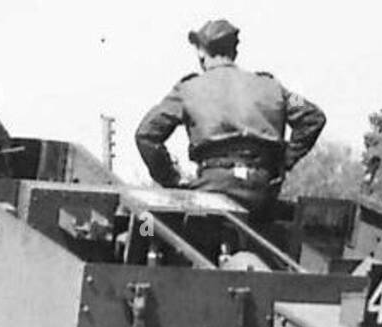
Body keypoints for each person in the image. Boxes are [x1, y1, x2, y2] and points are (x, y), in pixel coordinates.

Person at [135, 18, 326, 221]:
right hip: (262, 192)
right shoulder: (273, 86)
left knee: (144, 220)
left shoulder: (187, 89)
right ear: (234, 52)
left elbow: (146, 135)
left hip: (213, 186)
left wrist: (171, 180)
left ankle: (147, 246)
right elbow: (312, 116)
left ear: (201, 52)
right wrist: (284, 160)